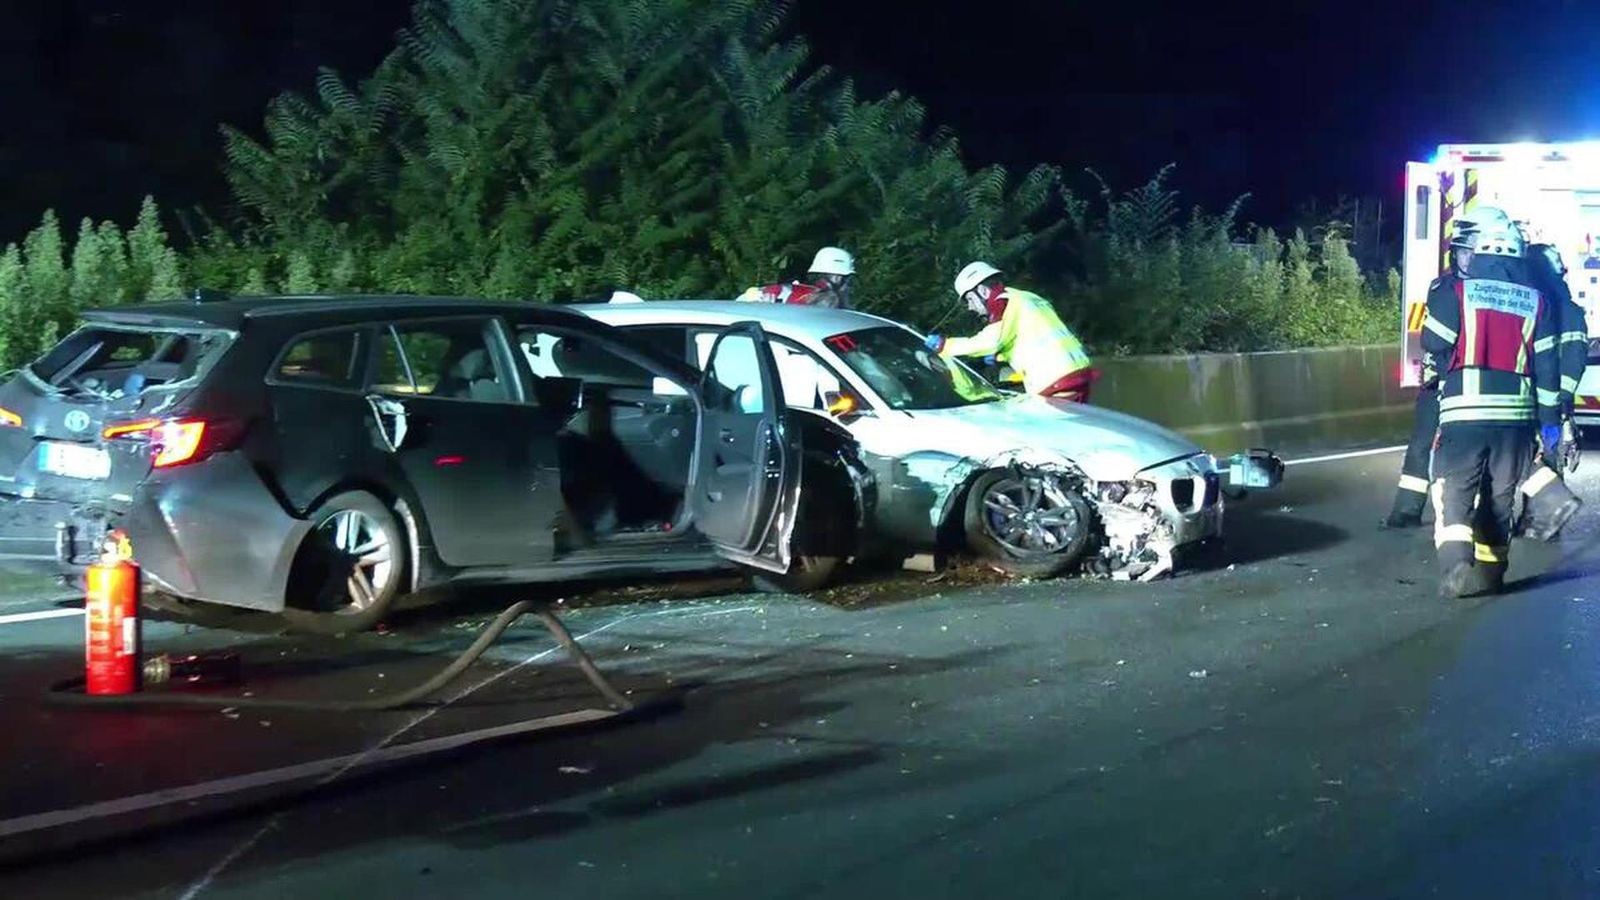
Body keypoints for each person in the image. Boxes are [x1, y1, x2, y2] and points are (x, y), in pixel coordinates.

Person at [1421, 207, 1563, 598]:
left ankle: (1456, 567)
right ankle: (1492, 574)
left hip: (1464, 417)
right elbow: (1547, 374)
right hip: (1516, 423)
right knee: (1500, 501)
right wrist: (1550, 427)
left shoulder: (1457, 292)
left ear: (1480, 252)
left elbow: (1433, 342)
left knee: (1454, 497)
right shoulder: (1538, 302)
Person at [1382, 226, 1476, 528]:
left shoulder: (1487, 290)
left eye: (1474, 253)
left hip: (1470, 381)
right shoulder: (1442, 288)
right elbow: (1434, 339)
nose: (1469, 259)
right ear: (1455, 255)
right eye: (1464, 252)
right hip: (1440, 378)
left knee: (1470, 449)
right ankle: (1407, 510)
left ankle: (1469, 513)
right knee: (1421, 444)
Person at [925, 261, 1097, 401]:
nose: (970, 307)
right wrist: (1000, 356)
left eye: (969, 299)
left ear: (983, 291)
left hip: (1054, 380)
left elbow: (992, 340)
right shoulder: (1026, 297)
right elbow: (1028, 335)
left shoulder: (1004, 303)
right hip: (1076, 373)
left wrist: (945, 345)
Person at [1516, 234, 1585, 540]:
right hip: (1550, 399)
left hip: (1532, 397)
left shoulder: (1532, 302)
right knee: (1543, 454)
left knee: (1536, 455)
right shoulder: (1565, 307)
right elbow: (1574, 357)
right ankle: (1535, 519)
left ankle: (1538, 519)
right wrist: (1564, 400)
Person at [739, 247, 856, 309]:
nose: (848, 285)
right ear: (836, 277)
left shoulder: (787, 291)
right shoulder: (829, 303)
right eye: (847, 279)